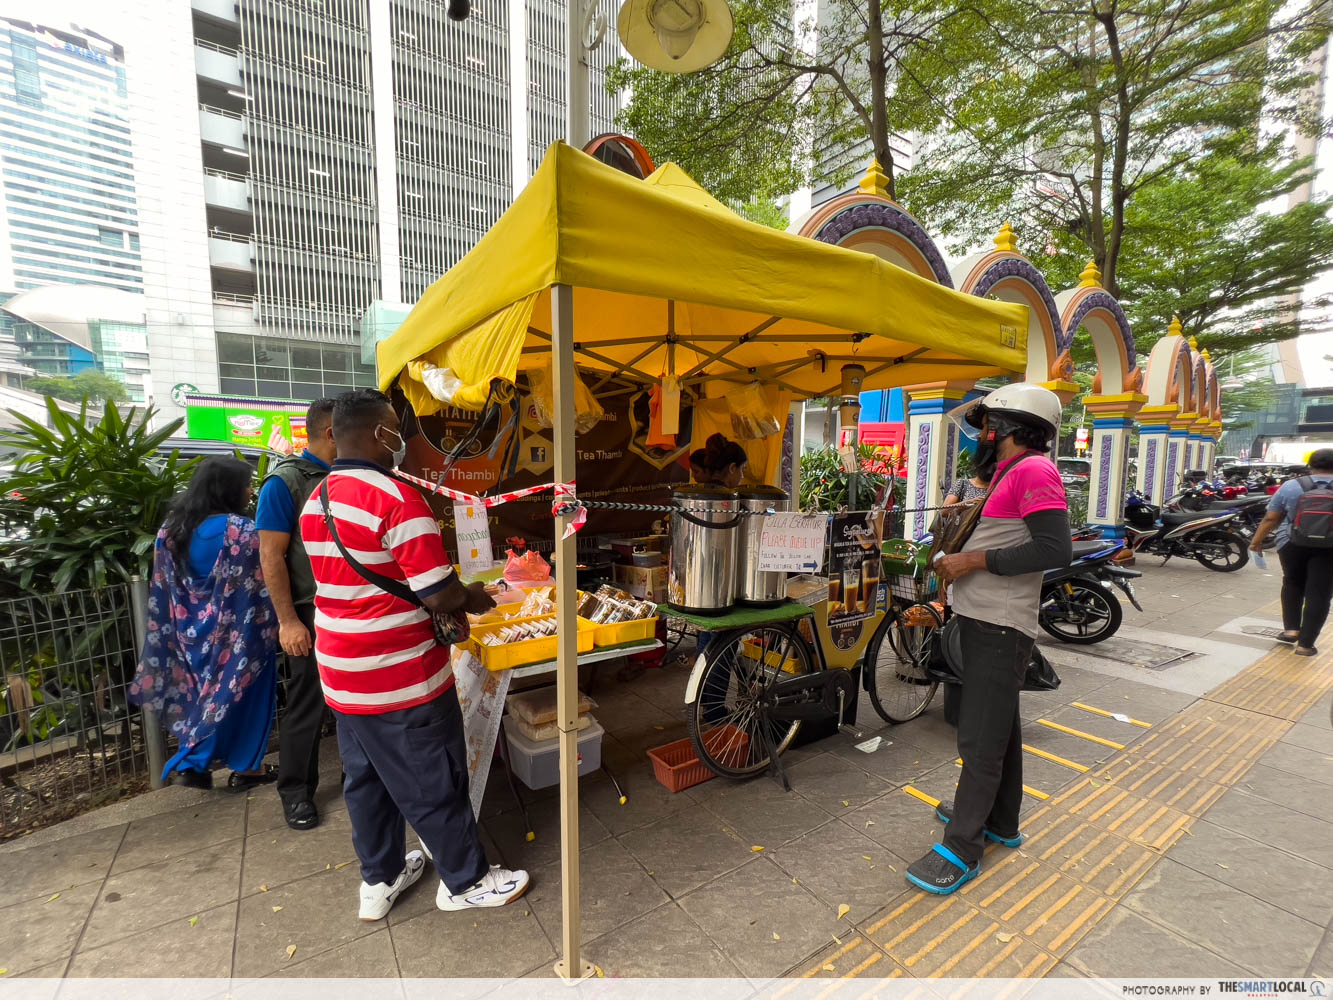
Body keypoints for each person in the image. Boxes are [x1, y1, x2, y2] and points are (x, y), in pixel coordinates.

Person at [299, 389, 529, 921]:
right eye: (394, 429)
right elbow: (441, 594)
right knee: (433, 778)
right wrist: (478, 594)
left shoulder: (319, 498)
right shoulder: (395, 499)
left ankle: (378, 881)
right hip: (397, 675)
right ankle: (465, 881)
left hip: (342, 673)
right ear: (382, 433)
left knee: (367, 780)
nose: (400, 440)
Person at [905, 384, 1071, 896]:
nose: (981, 435)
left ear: (1008, 428)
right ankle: (1001, 821)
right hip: (984, 622)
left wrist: (970, 560)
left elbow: (1054, 548)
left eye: (987, 426)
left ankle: (963, 845)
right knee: (1001, 728)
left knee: (978, 737)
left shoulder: (1033, 470)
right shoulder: (1007, 473)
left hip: (1001, 627)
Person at [130, 457, 279, 790]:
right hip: (242, 632)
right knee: (249, 697)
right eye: (246, 484)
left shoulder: (170, 531)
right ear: (228, 489)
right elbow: (265, 574)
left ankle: (194, 761)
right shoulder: (241, 530)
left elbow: (164, 582)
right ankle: (246, 767)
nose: (250, 490)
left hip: (189, 634)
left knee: (202, 696)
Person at [257, 398, 337, 831]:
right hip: (309, 613)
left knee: (354, 702)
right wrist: (288, 621)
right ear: (331, 433)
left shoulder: (348, 478)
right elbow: (271, 556)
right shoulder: (284, 483)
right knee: (307, 703)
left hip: (349, 609)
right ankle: (296, 792)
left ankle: (358, 774)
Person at [1250, 448, 1333, 656]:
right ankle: (1305, 645)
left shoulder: (1291, 486)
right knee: (1320, 593)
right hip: (1329, 548)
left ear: (1310, 465)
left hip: (1291, 543)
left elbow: (1271, 518)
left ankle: (1291, 630)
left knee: (1292, 583)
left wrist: (1256, 541)